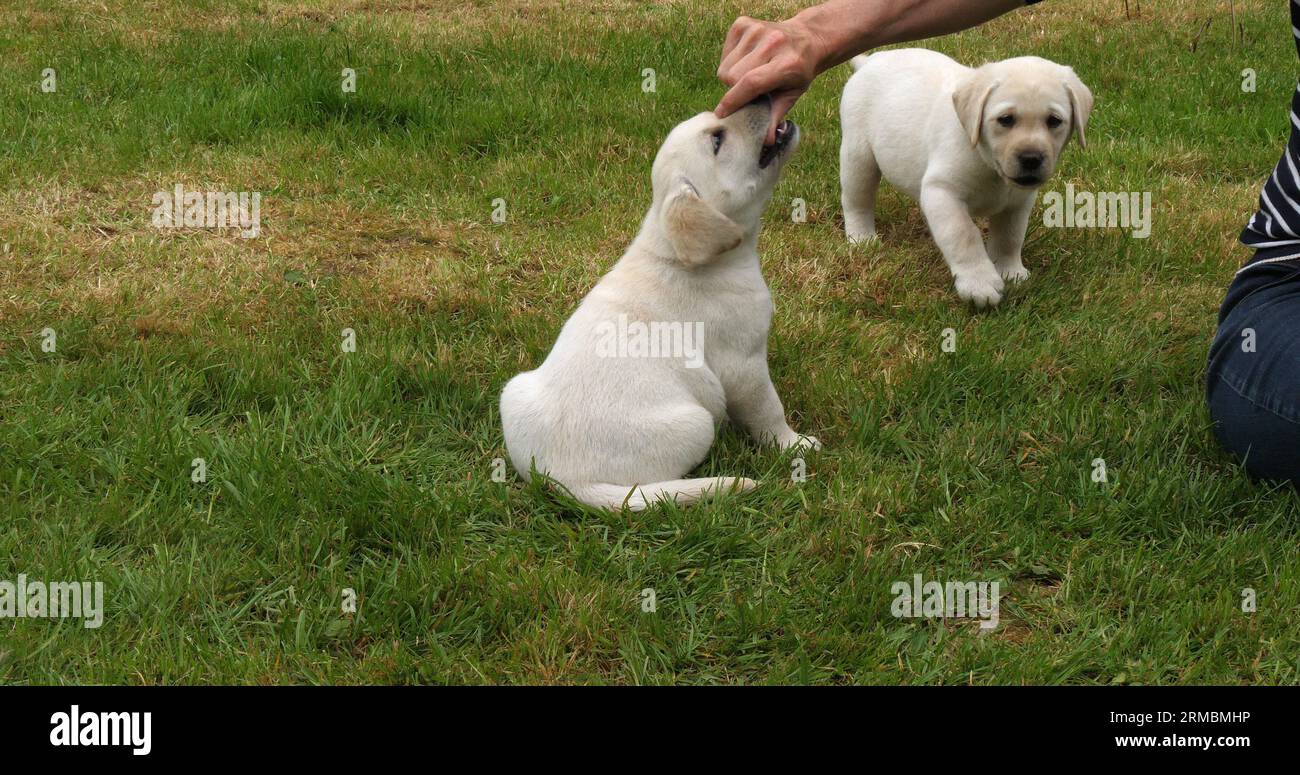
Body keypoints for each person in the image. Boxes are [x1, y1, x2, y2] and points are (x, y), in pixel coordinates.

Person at [717, 0, 1300, 483]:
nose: (1032, 144)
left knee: (1015, 193)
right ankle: (858, 219)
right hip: (877, 88)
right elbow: (937, 191)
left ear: (1075, 117)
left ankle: (1006, 258)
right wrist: (970, 263)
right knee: (861, 169)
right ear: (976, 115)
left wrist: (1007, 256)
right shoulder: (934, 114)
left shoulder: (1023, 139)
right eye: (1007, 122)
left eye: (1052, 124)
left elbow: (1019, 196)